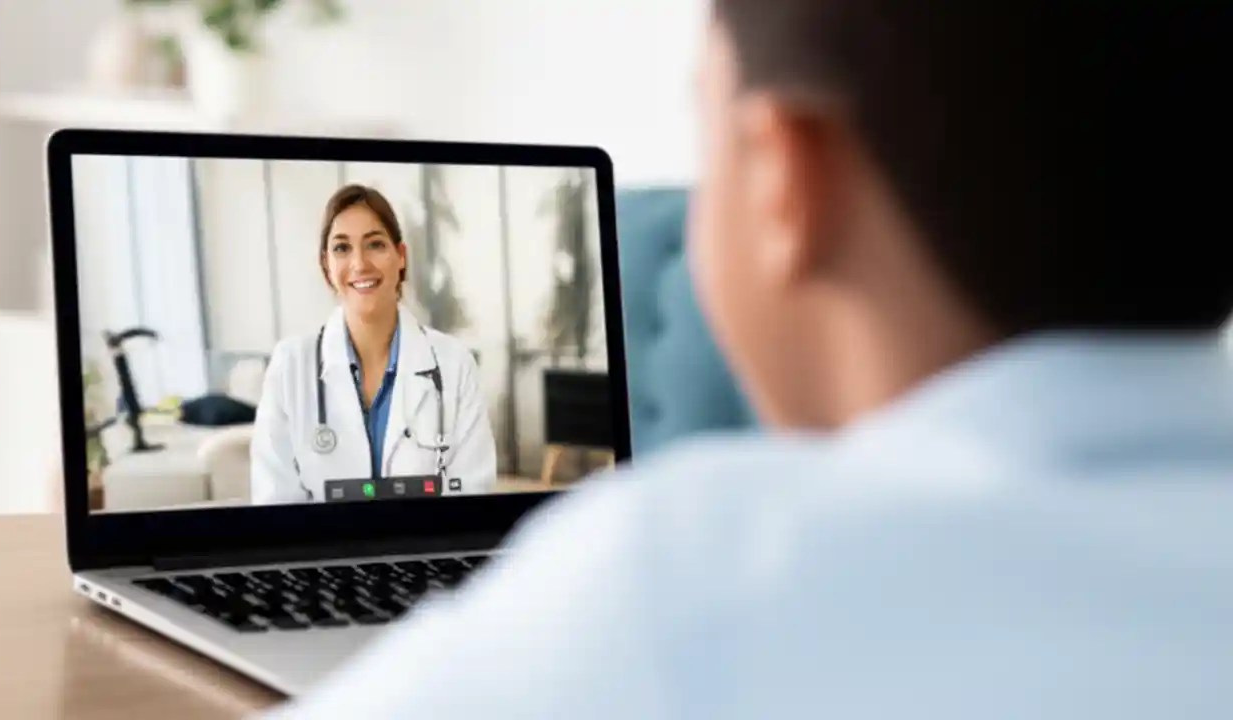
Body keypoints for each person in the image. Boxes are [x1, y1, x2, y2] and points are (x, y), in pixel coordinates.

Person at [268, 2, 1231, 716]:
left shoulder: (691, 577)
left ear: (781, 177)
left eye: (705, 119)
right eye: (341, 249)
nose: (359, 263)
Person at [250, 184, 496, 504]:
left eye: (375, 244)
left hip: (423, 546)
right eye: (342, 248)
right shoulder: (290, 365)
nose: (360, 263)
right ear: (326, 264)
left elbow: (473, 498)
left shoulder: (454, 364)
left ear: (401, 257)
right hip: (323, 551)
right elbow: (274, 504)